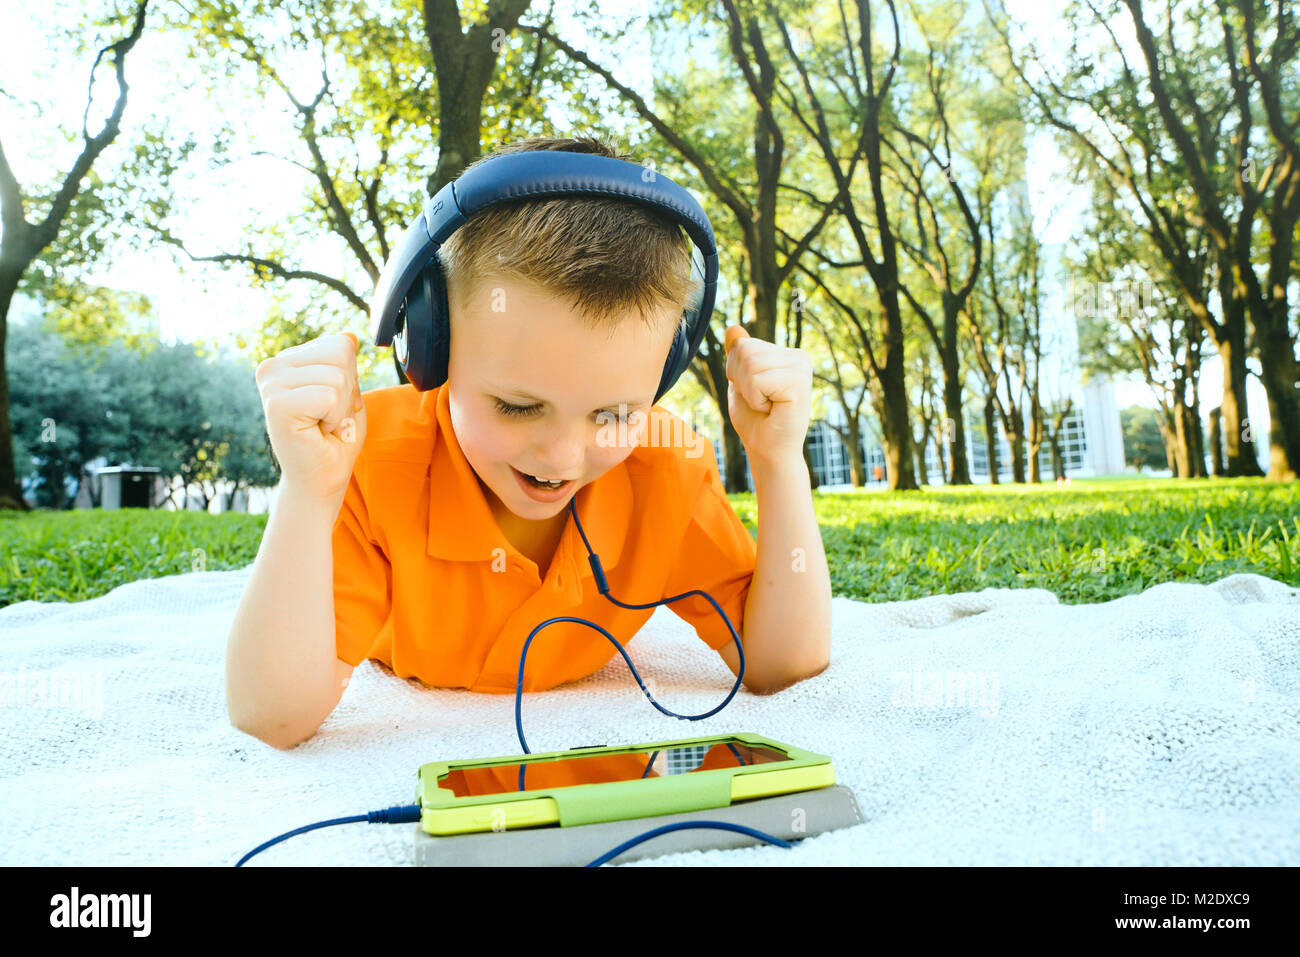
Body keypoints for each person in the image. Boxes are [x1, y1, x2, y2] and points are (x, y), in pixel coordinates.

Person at [226, 135, 831, 750]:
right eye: (518, 406)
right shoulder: (367, 463)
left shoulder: (667, 471)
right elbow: (272, 716)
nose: (564, 456)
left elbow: (781, 664)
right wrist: (307, 489)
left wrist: (778, 460)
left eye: (617, 413)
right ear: (430, 349)